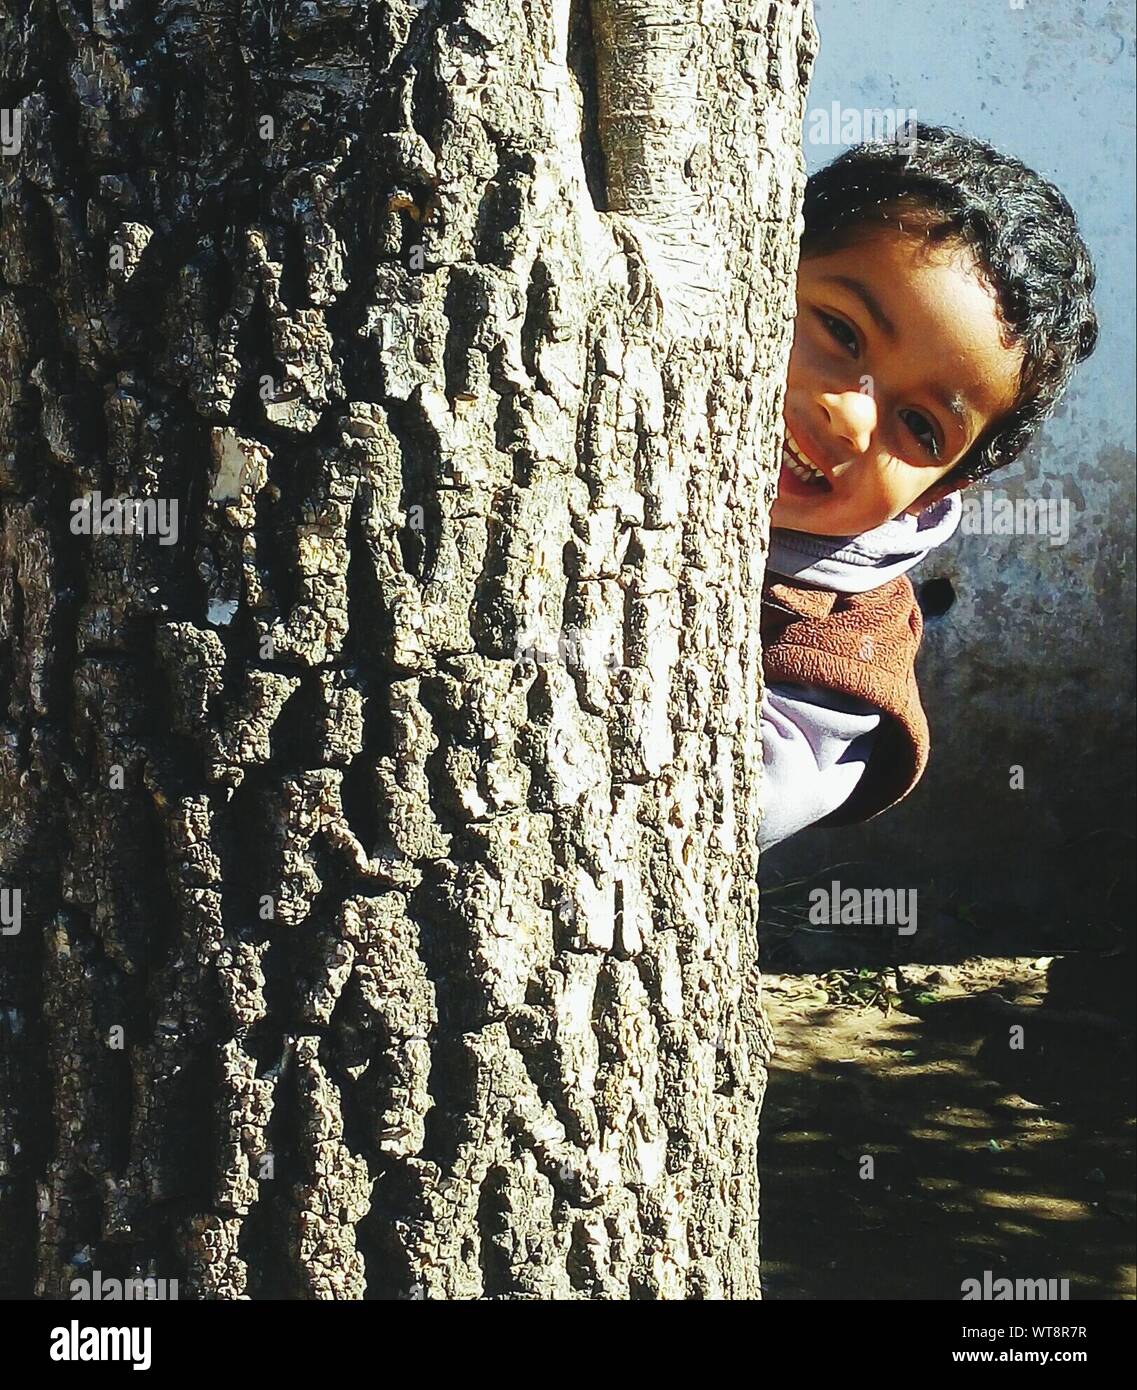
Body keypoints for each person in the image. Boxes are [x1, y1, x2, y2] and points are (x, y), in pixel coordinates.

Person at [759, 123, 1098, 850]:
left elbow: (723, 798)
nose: (850, 419)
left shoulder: (843, 650)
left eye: (916, 426)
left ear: (935, 491)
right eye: (841, 334)